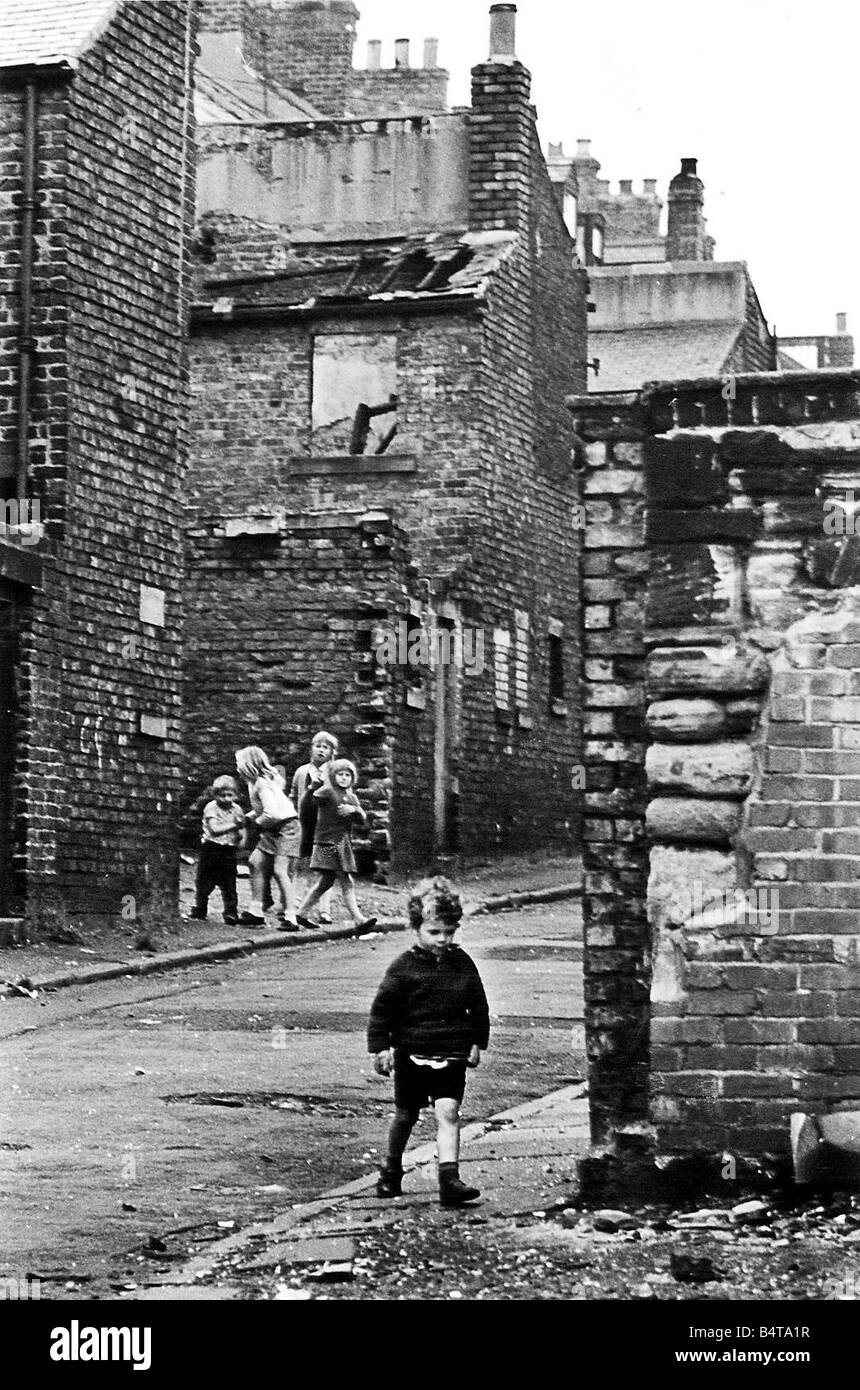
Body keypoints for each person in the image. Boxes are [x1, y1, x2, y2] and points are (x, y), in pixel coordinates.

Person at [366, 879, 490, 1207]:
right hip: (411, 1053)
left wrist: (478, 1040)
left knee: (448, 1112)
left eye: (449, 932)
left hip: (451, 1051)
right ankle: (391, 1170)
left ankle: (449, 1179)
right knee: (406, 1114)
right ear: (417, 929)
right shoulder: (403, 968)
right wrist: (380, 1047)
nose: (442, 940)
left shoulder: (461, 963)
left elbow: (478, 1003)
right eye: (434, 932)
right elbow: (382, 1010)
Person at [295, 758, 377, 933]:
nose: (344, 778)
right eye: (340, 774)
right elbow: (307, 806)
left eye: (348, 775)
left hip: (341, 843)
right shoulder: (328, 791)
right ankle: (358, 919)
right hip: (326, 843)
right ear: (333, 776)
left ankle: (301, 913)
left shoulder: (351, 797)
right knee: (346, 880)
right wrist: (311, 789)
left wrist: (354, 810)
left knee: (326, 881)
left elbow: (363, 821)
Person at [234, 745, 300, 930]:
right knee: (255, 862)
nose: (237, 767)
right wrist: (249, 816)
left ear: (249, 765)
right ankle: (256, 911)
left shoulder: (263, 784)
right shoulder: (253, 783)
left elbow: (273, 814)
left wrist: (256, 823)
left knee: (280, 871)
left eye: (239, 763)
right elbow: (263, 810)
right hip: (273, 829)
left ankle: (290, 916)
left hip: (287, 828)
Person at [290, 731, 338, 924]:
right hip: (305, 827)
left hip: (326, 830)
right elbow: (294, 795)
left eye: (325, 747)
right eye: (317, 746)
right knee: (301, 866)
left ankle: (324, 910)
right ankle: (294, 905)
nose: (321, 750)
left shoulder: (335, 772)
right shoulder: (302, 772)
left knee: (326, 868)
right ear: (311, 748)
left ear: (332, 752)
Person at [188, 775, 245, 925]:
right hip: (212, 848)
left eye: (230, 795)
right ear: (215, 795)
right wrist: (234, 825)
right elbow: (214, 829)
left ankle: (231, 912)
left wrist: (240, 837)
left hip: (228, 850)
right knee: (204, 881)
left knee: (229, 883)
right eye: (222, 795)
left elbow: (242, 832)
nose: (226, 799)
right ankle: (200, 908)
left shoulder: (237, 810)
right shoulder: (211, 807)